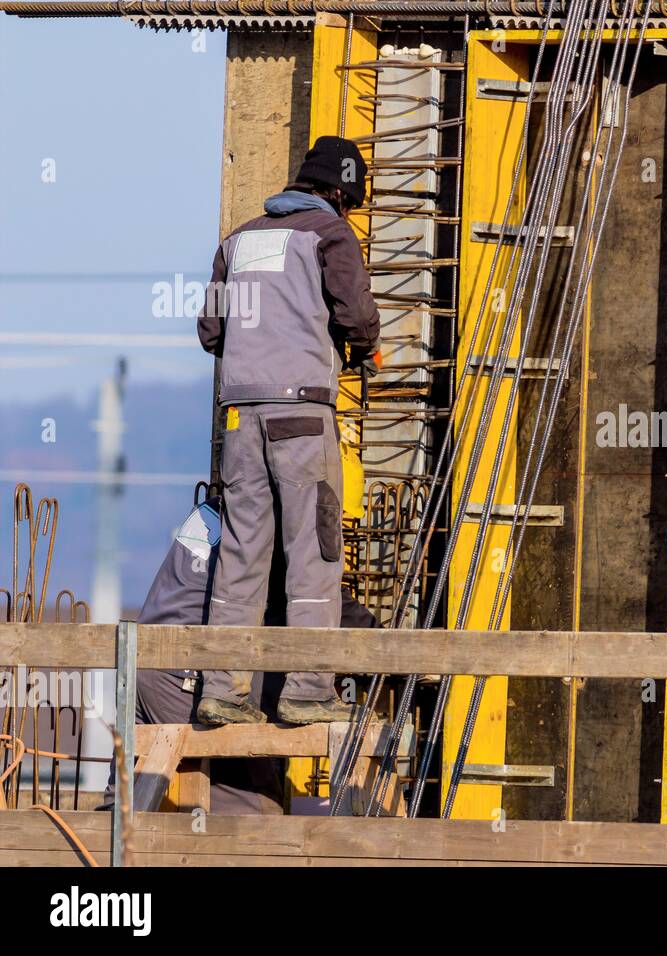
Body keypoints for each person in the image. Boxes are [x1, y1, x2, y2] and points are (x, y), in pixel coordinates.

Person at [196, 135, 381, 726]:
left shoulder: (237, 240)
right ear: (339, 193)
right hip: (301, 415)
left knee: (241, 552)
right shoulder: (330, 234)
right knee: (313, 552)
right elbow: (356, 315)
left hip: (238, 418)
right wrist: (365, 347)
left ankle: (221, 690)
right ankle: (307, 689)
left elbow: (209, 331)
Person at [100, 497, 378, 815]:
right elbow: (318, 602)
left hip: (146, 670)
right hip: (187, 680)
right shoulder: (262, 528)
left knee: (119, 811)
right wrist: (389, 651)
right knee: (256, 814)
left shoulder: (219, 510)